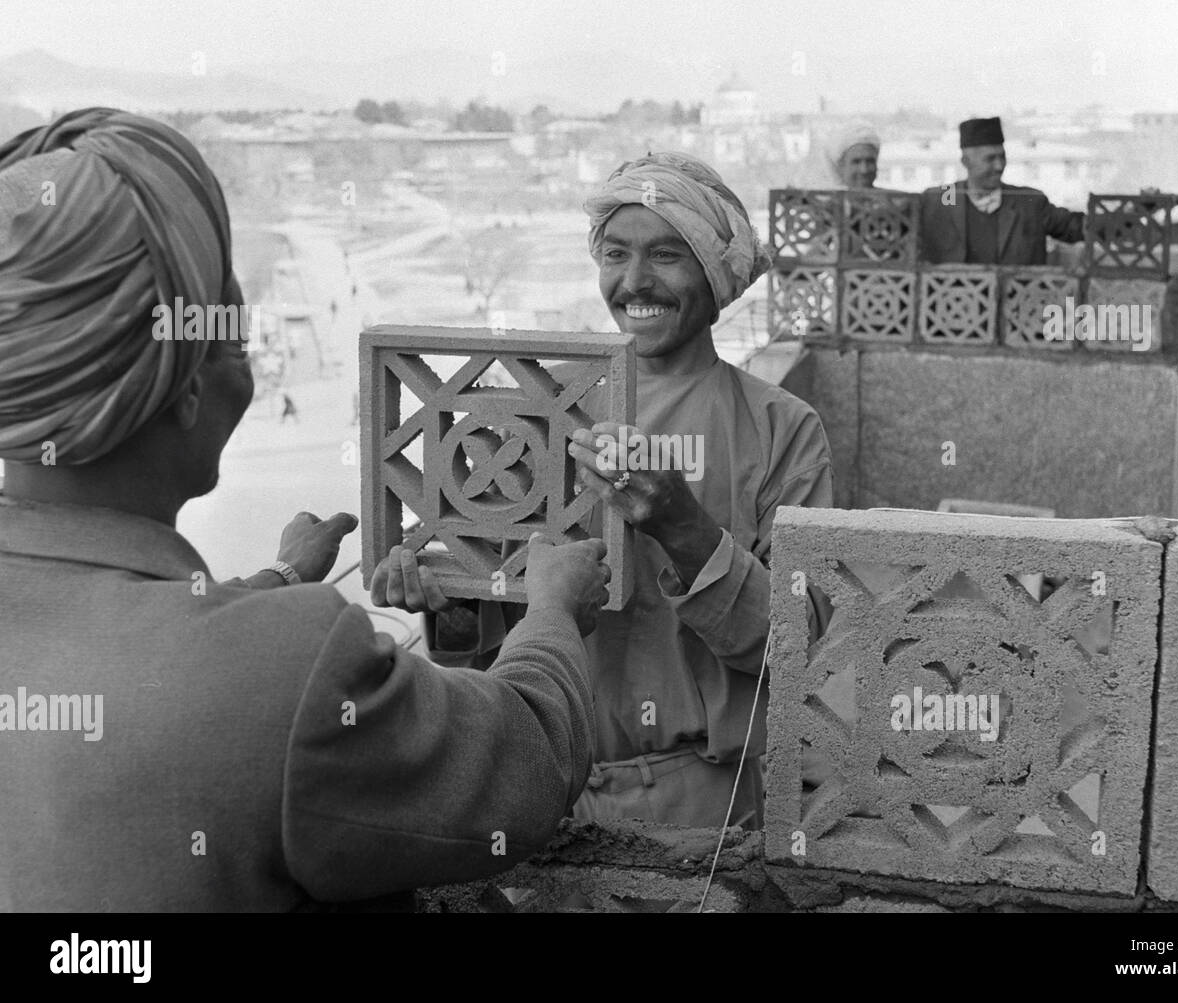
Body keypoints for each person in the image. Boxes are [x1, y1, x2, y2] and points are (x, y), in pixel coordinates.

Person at [0, 108, 609, 911]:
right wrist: (554, 608)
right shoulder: (292, 667)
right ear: (186, 392)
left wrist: (275, 579)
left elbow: (121, 642)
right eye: (229, 330)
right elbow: (523, 760)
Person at [373, 151, 835, 829]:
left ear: (715, 271)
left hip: (707, 810)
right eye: (615, 254)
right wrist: (453, 608)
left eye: (668, 255)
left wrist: (684, 527)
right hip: (546, 791)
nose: (635, 281)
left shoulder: (781, 428)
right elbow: (501, 616)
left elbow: (802, 641)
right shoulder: (538, 411)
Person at [919, 116, 1085, 265]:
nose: (999, 166)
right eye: (990, 159)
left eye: (1002, 157)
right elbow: (900, 217)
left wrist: (1106, 221)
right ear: (966, 161)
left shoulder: (1029, 201)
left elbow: (1075, 226)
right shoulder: (945, 196)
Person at [826, 123, 884, 190]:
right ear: (841, 166)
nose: (864, 170)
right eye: (856, 162)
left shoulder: (894, 199)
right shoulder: (824, 199)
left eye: (870, 161)